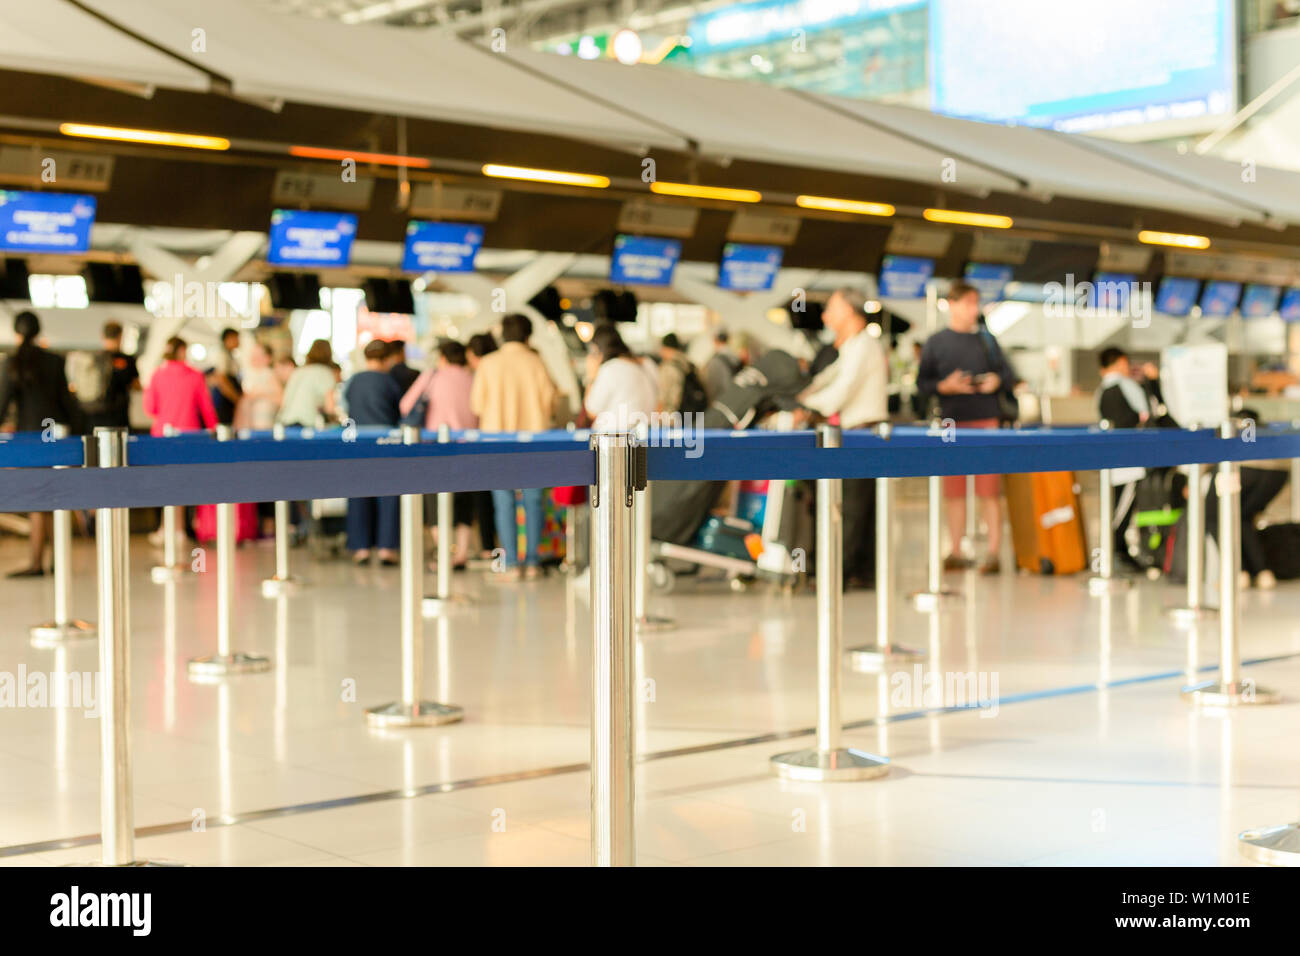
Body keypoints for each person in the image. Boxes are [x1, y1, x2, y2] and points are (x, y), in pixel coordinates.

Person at [917, 281, 1017, 574]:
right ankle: (956, 549)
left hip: (986, 418)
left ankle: (994, 552)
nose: (974, 309)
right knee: (955, 490)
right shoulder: (936, 342)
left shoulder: (987, 340)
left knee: (989, 489)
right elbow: (922, 384)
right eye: (969, 303)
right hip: (952, 421)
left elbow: (1008, 375)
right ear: (952, 303)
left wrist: (996, 382)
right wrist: (944, 386)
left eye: (977, 303)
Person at [796, 288, 889, 587]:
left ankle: (838, 575)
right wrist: (801, 395)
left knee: (851, 508)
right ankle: (862, 572)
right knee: (859, 507)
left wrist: (805, 406)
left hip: (863, 434)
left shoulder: (864, 346)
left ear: (850, 311)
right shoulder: (853, 346)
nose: (826, 316)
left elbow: (842, 389)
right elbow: (828, 378)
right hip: (858, 434)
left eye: (832, 308)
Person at [470, 314, 557, 581]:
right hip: (533, 442)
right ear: (528, 336)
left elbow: (476, 405)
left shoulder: (488, 363)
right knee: (533, 501)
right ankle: (531, 562)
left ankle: (509, 563)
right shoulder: (536, 362)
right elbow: (550, 400)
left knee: (503, 501)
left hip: (497, 442)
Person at [0, 311, 82, 577]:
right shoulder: (54, 361)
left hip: (29, 438)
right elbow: (66, 401)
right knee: (53, 497)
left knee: (38, 501)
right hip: (54, 436)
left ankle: (38, 563)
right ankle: (57, 561)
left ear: (17, 332)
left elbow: (3, 404)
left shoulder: (13, 363)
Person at [401, 340, 478, 569]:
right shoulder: (472, 377)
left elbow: (406, 405)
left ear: (442, 356)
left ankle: (444, 554)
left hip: (435, 446)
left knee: (434, 499)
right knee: (464, 499)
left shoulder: (433, 376)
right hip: (468, 446)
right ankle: (462, 553)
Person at [340, 340, 403, 565]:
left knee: (359, 492)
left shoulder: (352, 381)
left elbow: (342, 406)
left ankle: (361, 548)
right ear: (387, 359)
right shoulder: (390, 382)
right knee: (389, 493)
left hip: (357, 442)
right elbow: (400, 411)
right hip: (387, 441)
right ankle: (387, 548)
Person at [465, 332, 499, 557]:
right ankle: (522, 556)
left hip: (487, 439)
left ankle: (490, 548)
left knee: (487, 496)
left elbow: (476, 407)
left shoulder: (485, 368)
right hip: (524, 441)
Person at [584, 324, 658, 426]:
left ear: (599, 350)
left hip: (614, 437)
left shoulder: (610, 369)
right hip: (644, 434)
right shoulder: (648, 364)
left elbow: (591, 411)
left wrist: (591, 376)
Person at [75, 320, 138, 431]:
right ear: (121, 336)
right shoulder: (127, 360)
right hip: (118, 417)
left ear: (102, 336)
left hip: (92, 413)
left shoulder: (94, 358)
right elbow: (136, 385)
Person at [277, 339, 337, 426]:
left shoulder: (298, 371)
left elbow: (284, 401)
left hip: (285, 422)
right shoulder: (325, 373)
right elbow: (330, 407)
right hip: (306, 423)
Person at [234, 341, 282, 431]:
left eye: (258, 355)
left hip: (263, 426)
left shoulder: (270, 375)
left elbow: (280, 400)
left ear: (268, 358)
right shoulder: (249, 375)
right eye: (253, 354)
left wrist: (261, 395)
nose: (254, 358)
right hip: (247, 427)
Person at [656, 333, 705, 415]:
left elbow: (663, 396)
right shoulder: (688, 363)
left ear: (665, 348)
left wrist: (658, 414)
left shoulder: (668, 367)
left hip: (673, 414)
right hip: (692, 412)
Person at [702, 330, 750, 403]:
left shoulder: (715, 360)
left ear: (715, 340)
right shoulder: (736, 356)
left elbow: (712, 387)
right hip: (737, 398)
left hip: (722, 401)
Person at [207, 327, 242, 426]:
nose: (238, 341)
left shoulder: (230, 355)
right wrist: (236, 399)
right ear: (228, 339)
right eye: (236, 338)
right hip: (224, 403)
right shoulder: (222, 355)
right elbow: (221, 380)